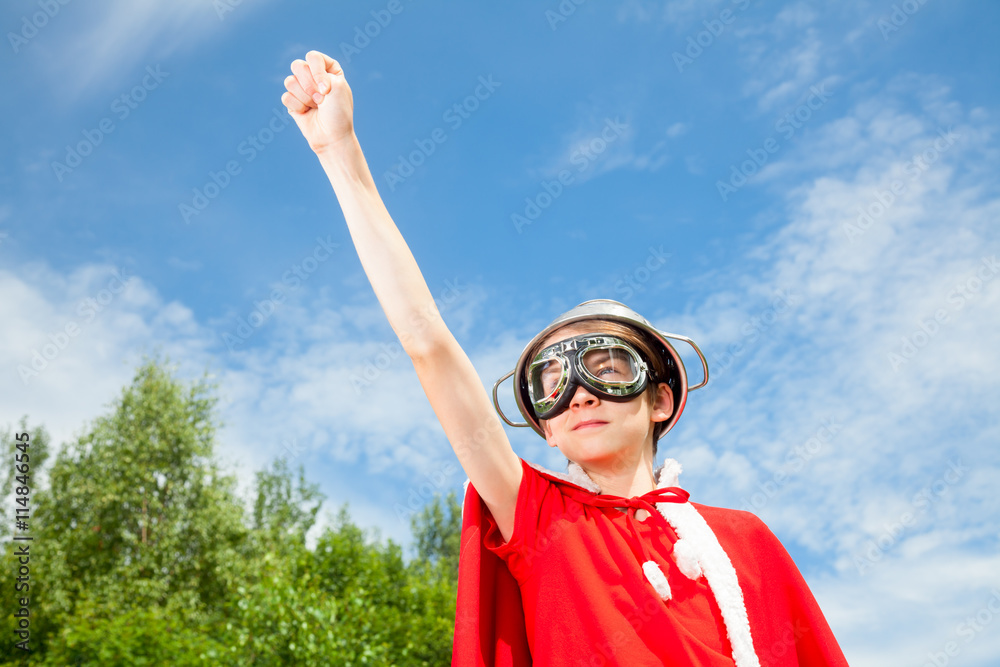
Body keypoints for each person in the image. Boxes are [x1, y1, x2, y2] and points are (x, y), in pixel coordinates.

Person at [281, 51, 850, 667]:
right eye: (551, 383)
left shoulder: (748, 542)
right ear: (546, 429)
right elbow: (427, 343)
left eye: (607, 369)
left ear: (661, 398)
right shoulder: (541, 522)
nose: (578, 392)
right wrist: (339, 152)